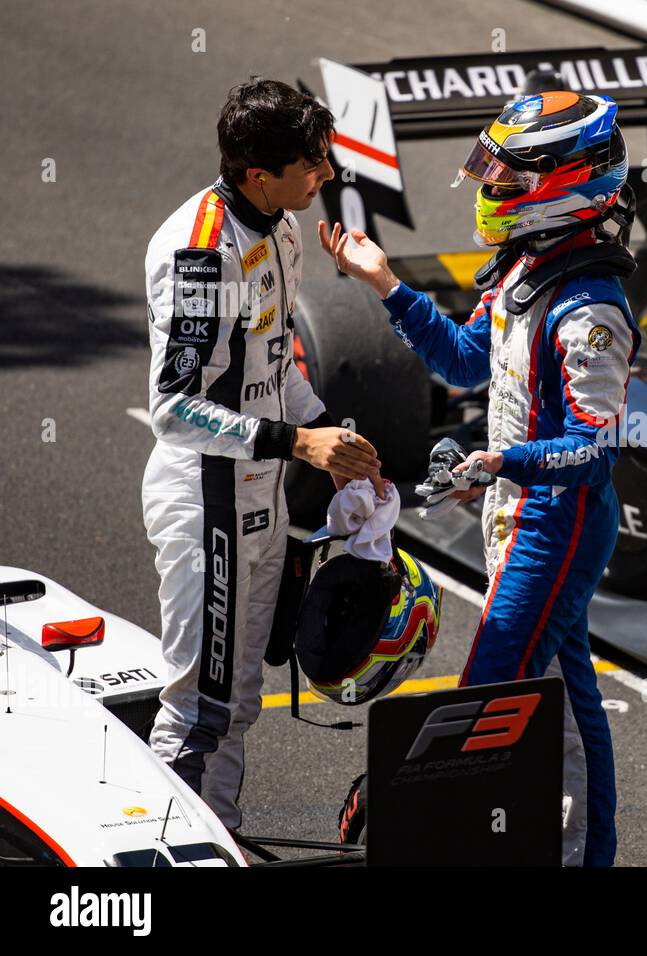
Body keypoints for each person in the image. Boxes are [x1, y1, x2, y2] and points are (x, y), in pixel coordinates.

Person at [319, 90, 640, 866]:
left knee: (489, 696)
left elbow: (594, 449)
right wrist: (387, 287)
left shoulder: (590, 305)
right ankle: (582, 855)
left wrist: (505, 461)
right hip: (520, 510)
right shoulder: (527, 266)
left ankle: (404, 811)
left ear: (561, 185)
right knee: (565, 701)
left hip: (555, 522)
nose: (488, 188)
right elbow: (464, 362)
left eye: (503, 175)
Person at [142, 79, 382, 830]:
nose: (329, 175)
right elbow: (174, 409)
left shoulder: (279, 225)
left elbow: (273, 369)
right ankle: (171, 851)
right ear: (257, 172)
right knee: (200, 708)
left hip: (258, 493)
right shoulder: (204, 252)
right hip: (205, 499)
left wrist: (331, 434)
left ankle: (221, 833)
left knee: (242, 697)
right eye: (313, 163)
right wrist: (297, 442)